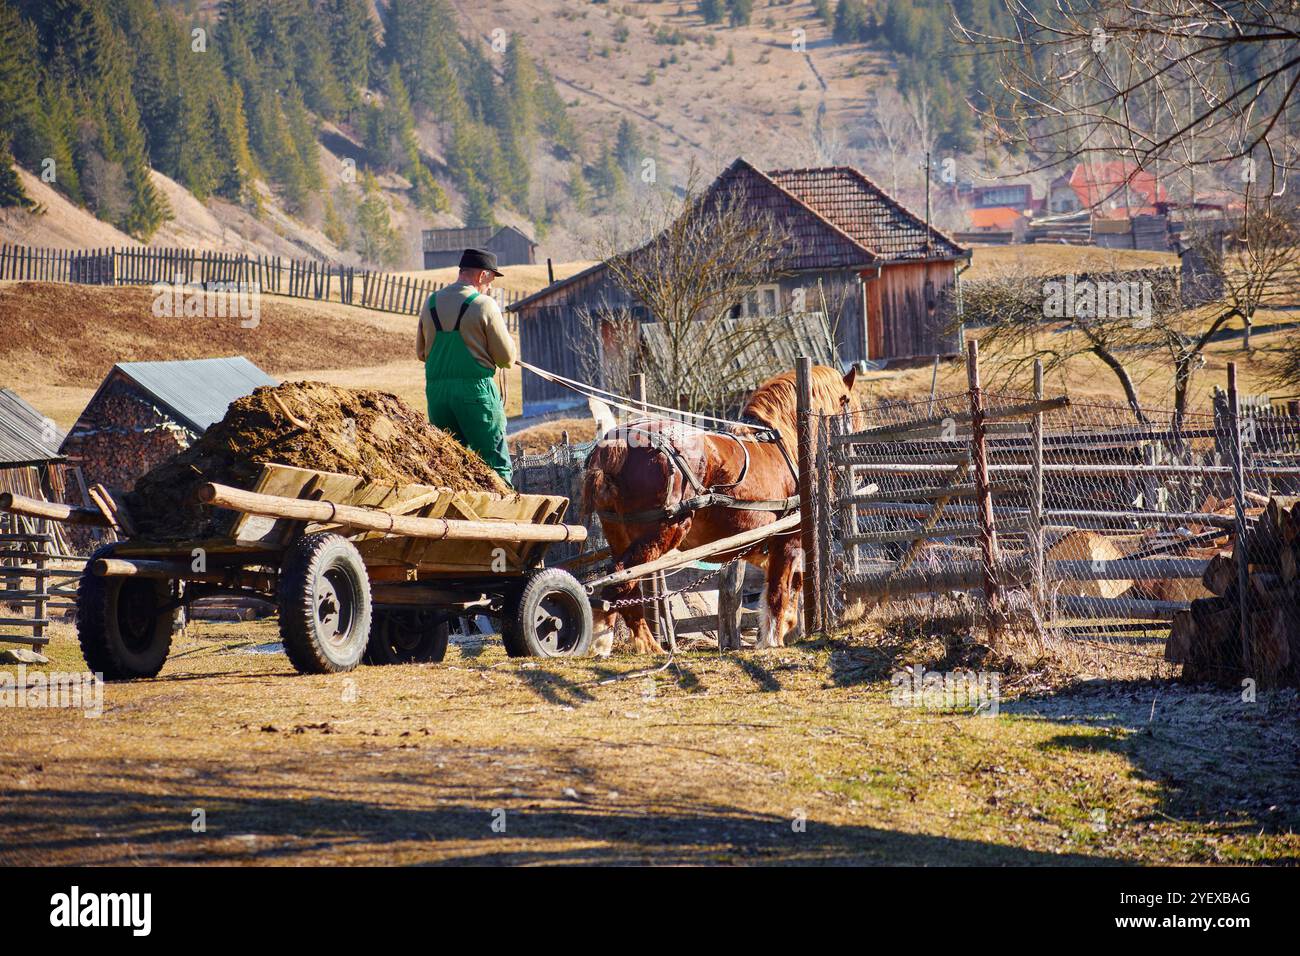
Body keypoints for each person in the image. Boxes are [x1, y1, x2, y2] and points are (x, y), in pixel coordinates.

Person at [416, 248, 516, 486]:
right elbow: (506, 358)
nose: (490, 286)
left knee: (448, 464)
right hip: (475, 393)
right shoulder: (484, 304)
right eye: (491, 279)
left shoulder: (430, 302)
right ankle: (501, 516)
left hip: (437, 395)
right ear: (482, 275)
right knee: (495, 464)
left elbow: (421, 353)